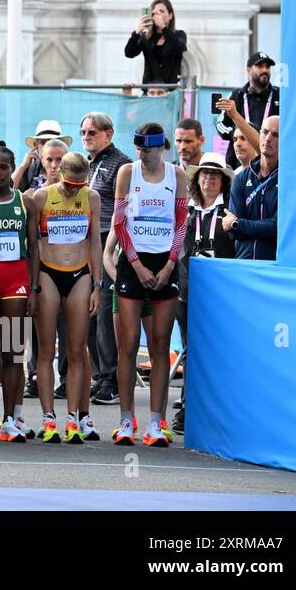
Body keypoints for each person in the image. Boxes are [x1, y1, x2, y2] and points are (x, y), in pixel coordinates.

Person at [111, 122, 188, 446]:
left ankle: (155, 423)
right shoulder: (128, 172)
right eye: (140, 149)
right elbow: (119, 222)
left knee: (159, 345)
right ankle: (126, 420)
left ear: (162, 148)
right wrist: (137, 265)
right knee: (127, 345)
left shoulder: (177, 175)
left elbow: (182, 223)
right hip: (134, 263)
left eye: (149, 149)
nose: (144, 155)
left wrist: (171, 264)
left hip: (165, 263)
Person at [29, 152, 102, 444]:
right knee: (45, 351)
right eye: (70, 185)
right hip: (48, 271)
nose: (74, 190)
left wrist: (98, 284)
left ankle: (73, 417)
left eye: (79, 185)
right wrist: (33, 286)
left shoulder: (91, 197)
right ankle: (49, 418)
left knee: (76, 351)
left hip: (80, 274)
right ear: (59, 174)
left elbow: (95, 241)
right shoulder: (41, 198)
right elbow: (33, 246)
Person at [0, 145, 38, 442]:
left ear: (13, 168)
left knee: (12, 352)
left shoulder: (25, 201)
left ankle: (10, 419)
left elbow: (34, 248)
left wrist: (34, 287)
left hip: (16, 281)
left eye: (4, 167)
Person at [174, 151, 235, 433]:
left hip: (220, 292)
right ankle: (187, 409)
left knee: (217, 350)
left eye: (215, 174)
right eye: (204, 173)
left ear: (223, 181)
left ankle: (214, 410)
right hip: (187, 289)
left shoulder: (230, 211)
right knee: (190, 349)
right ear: (196, 179)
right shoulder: (185, 210)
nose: (209, 178)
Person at [80, 111, 131, 406]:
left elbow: (123, 209)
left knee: (103, 313)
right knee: (86, 310)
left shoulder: (120, 163)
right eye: (84, 132)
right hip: (85, 243)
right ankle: (99, 375)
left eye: (92, 132)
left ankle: (111, 379)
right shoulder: (87, 164)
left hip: (108, 241)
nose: (87, 137)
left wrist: (113, 247)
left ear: (108, 134)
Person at [225, 115, 278, 260]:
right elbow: (232, 231)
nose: (268, 138)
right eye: (265, 132)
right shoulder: (241, 178)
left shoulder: (289, 180)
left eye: (275, 135)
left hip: (274, 266)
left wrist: (238, 223)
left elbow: (277, 228)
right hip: (244, 263)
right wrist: (237, 226)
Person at [216, 52, 279, 169]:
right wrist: (238, 135)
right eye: (260, 66)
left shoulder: (278, 95)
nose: (265, 70)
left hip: (269, 161)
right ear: (249, 69)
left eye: (267, 67)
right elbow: (220, 124)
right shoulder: (237, 94)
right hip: (238, 162)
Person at [124, 0, 186, 89]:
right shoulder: (146, 37)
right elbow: (129, 53)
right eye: (154, 13)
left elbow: (179, 47)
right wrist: (137, 32)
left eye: (161, 11)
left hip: (171, 92)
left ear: (170, 15)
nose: (158, 15)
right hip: (150, 91)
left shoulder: (179, 35)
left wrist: (163, 28)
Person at [13, 120, 72, 191]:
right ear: (36, 146)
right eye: (43, 142)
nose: (47, 146)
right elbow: (9, 191)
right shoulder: (30, 167)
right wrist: (22, 167)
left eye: (52, 141)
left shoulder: (70, 167)